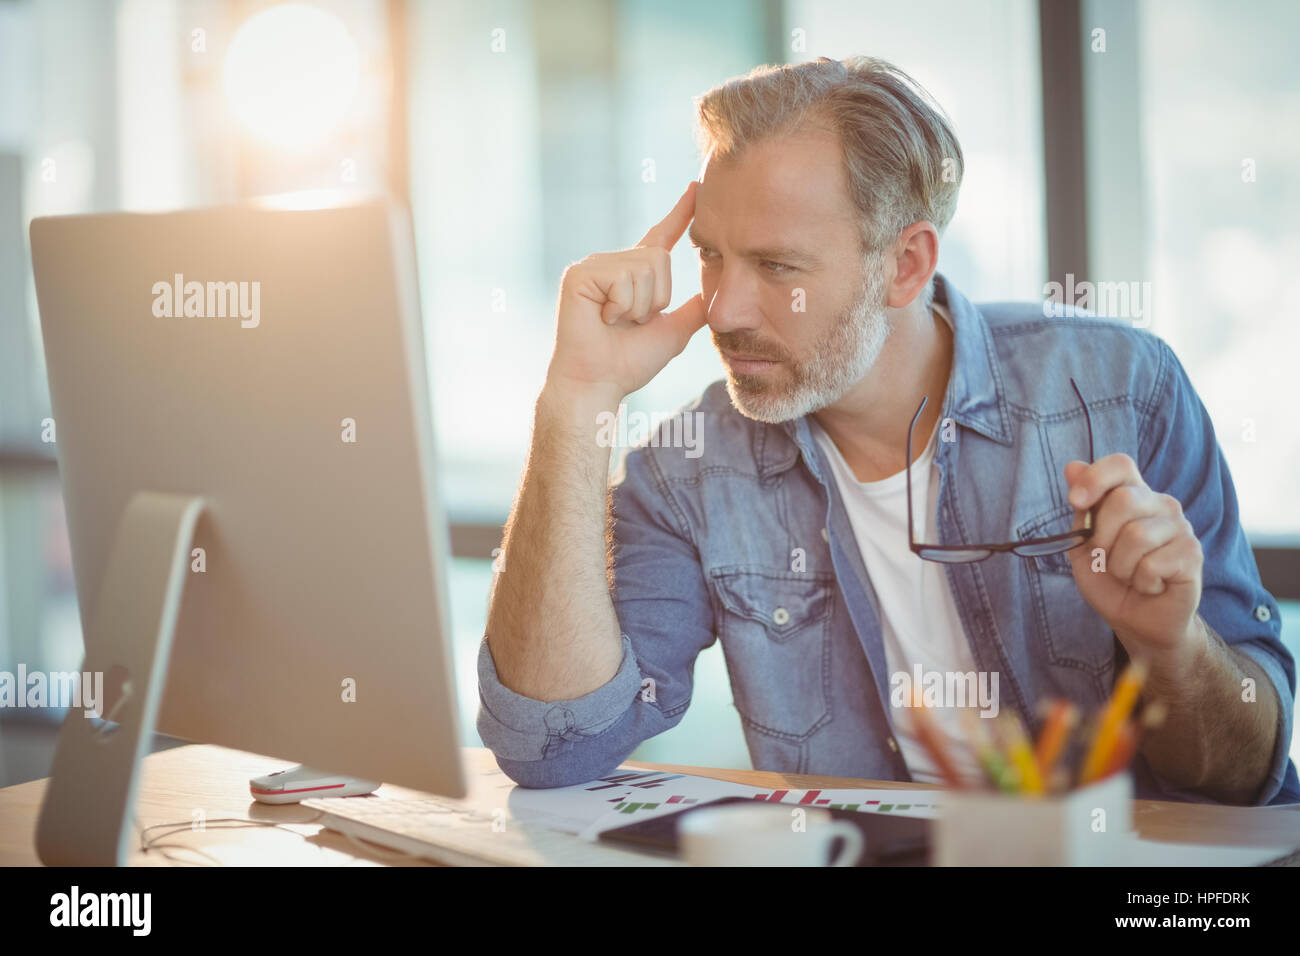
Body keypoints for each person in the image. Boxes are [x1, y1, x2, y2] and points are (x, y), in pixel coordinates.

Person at [476, 55, 1298, 805]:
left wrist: (1170, 646)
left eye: (776, 266)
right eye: (711, 256)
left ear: (904, 265)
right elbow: (554, 747)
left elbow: (1246, 776)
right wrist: (577, 404)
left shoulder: (1121, 390)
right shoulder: (690, 472)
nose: (722, 309)